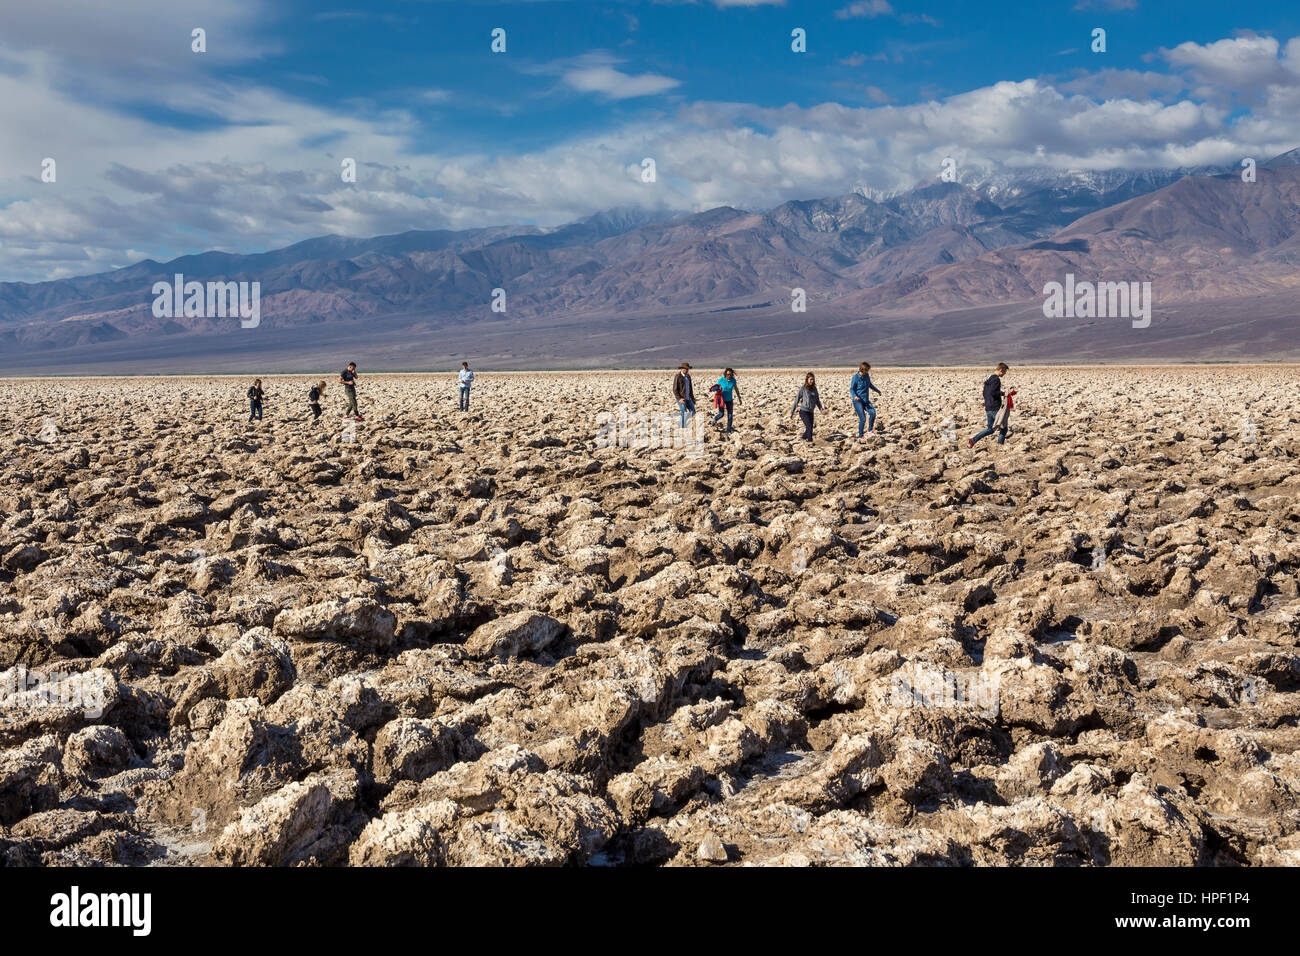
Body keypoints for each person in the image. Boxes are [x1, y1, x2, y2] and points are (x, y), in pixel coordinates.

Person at [970, 363, 1011, 447]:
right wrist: (1004, 394)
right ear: (1001, 370)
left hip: (988, 407)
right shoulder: (996, 379)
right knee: (1003, 427)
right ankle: (1000, 446)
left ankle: (973, 440)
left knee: (991, 429)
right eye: (1005, 372)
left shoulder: (989, 378)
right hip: (994, 407)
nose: (1005, 374)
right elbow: (993, 392)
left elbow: (985, 392)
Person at [789, 371, 826, 441]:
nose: (812, 381)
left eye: (813, 379)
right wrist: (792, 412)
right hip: (803, 412)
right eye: (810, 379)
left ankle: (803, 437)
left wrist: (821, 410)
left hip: (811, 412)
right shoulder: (803, 388)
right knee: (809, 426)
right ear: (807, 380)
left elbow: (817, 401)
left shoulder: (814, 389)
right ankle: (810, 441)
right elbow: (796, 400)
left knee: (810, 428)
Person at [849, 362, 882, 438]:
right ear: (862, 370)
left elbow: (870, 385)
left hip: (866, 400)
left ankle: (870, 430)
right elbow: (852, 389)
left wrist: (877, 391)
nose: (867, 372)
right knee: (863, 419)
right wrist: (855, 396)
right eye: (866, 370)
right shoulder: (855, 377)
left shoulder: (867, 376)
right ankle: (861, 436)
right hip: (858, 401)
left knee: (873, 413)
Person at [711, 368, 741, 434]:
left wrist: (739, 398)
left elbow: (736, 389)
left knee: (730, 416)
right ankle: (715, 419)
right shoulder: (721, 380)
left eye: (730, 374)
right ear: (725, 374)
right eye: (727, 374)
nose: (729, 376)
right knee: (721, 414)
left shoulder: (733, 381)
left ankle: (728, 431)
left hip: (729, 400)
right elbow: (717, 387)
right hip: (722, 399)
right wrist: (714, 389)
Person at [672, 362, 695, 428]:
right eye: (686, 369)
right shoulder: (678, 376)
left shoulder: (688, 376)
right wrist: (679, 398)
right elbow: (675, 389)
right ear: (682, 369)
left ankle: (682, 422)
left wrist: (692, 398)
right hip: (682, 398)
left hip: (688, 397)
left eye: (688, 369)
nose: (687, 370)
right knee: (684, 412)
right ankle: (682, 426)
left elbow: (690, 388)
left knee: (693, 411)